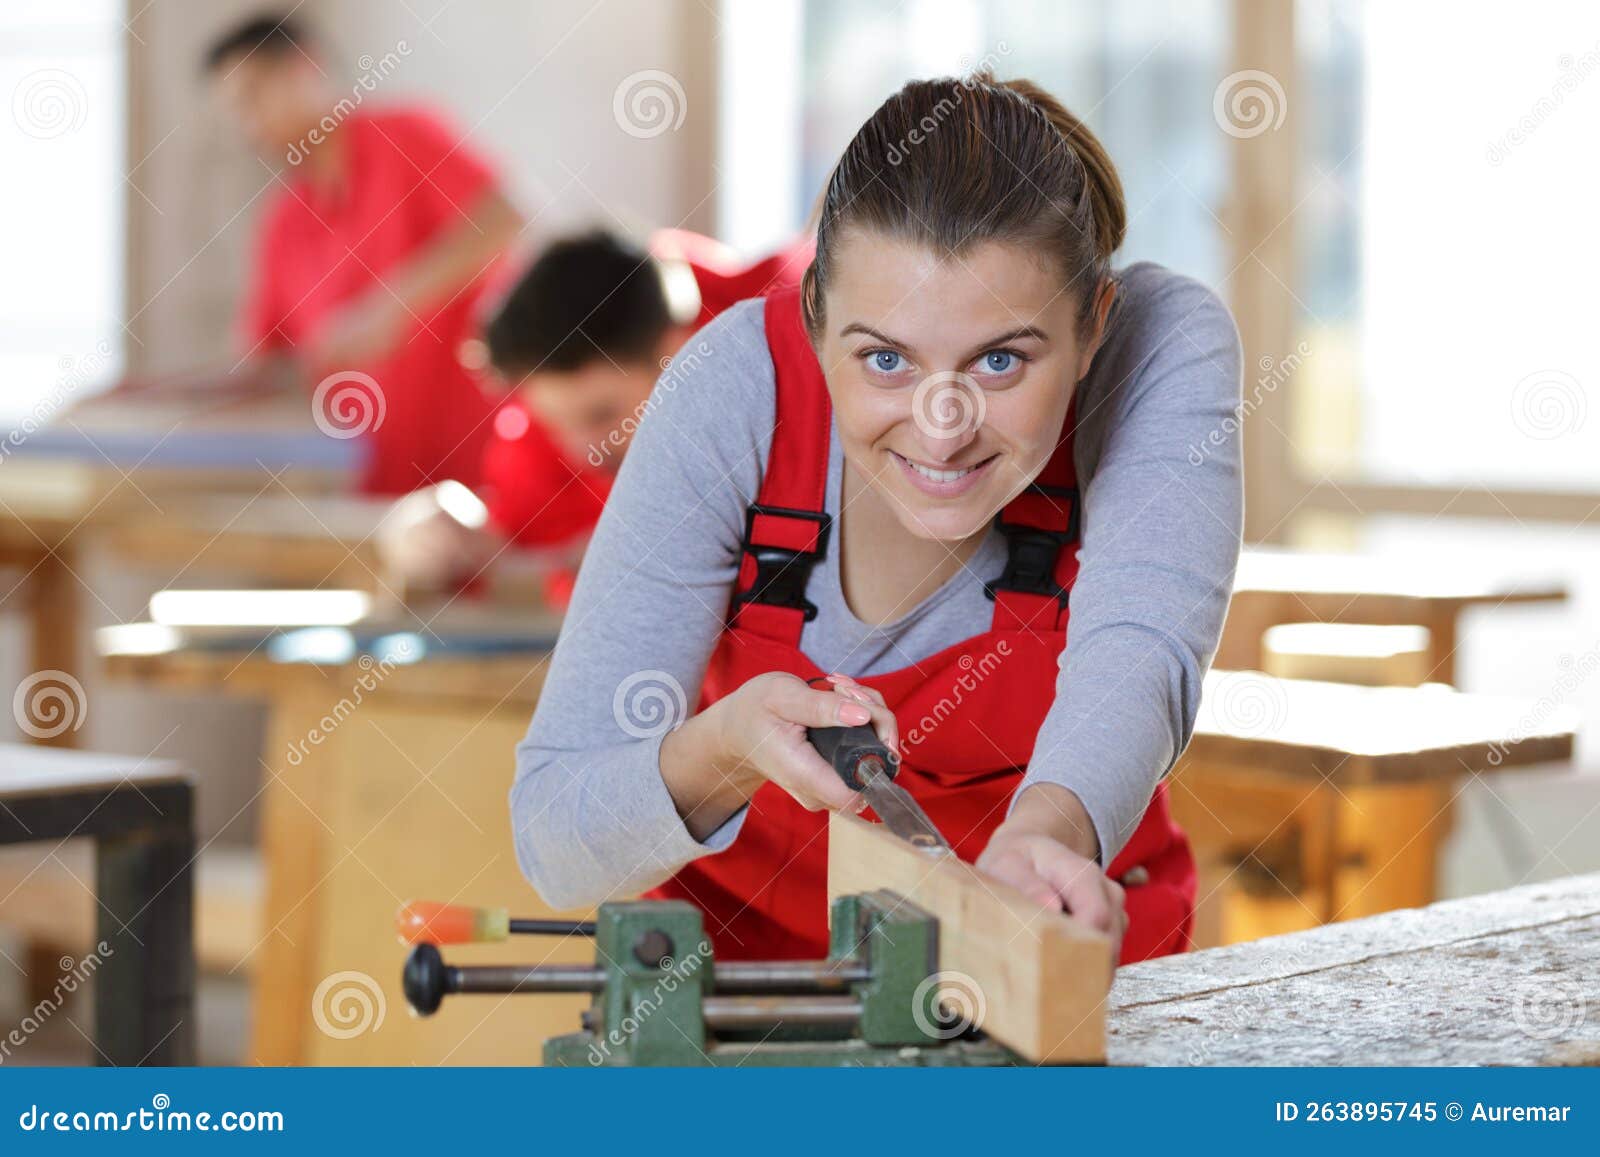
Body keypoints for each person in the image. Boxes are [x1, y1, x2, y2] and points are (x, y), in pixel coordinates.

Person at [511, 74, 1243, 965]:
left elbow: (1140, 648)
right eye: (886, 358)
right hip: (762, 982)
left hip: (1053, 954)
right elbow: (556, 845)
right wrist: (732, 749)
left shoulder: (1158, 343)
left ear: (1093, 326)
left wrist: (1041, 840)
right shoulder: (736, 385)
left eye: (1002, 360)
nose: (941, 426)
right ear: (817, 320)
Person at [379, 228, 813, 598]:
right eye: (555, 423)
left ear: (677, 354)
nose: (584, 450)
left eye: (602, 415)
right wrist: (421, 537)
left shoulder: (803, 335)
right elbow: (503, 544)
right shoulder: (545, 440)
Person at [203, 12, 523, 494]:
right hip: (379, 482)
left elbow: (506, 218)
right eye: (235, 112)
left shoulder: (405, 134)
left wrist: (390, 306)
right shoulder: (282, 222)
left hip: (487, 462)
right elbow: (264, 362)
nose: (249, 127)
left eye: (254, 96)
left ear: (306, 66)